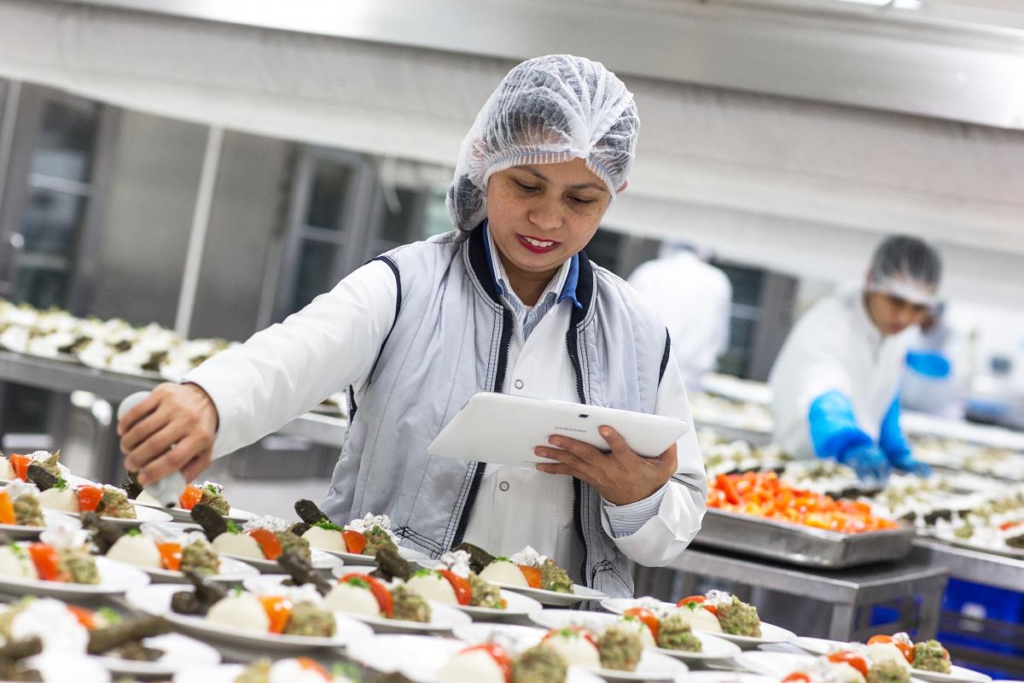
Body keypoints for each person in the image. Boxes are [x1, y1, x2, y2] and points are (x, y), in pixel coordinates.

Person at [116, 55, 707, 597]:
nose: (548, 218)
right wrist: (209, 400)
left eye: (581, 200)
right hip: (390, 608)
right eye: (527, 185)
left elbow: (678, 512)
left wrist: (639, 499)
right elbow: (296, 353)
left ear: (614, 192)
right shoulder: (406, 286)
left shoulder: (638, 334)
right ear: (486, 161)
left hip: (562, 641)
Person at [769, 235, 942, 482]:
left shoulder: (891, 332)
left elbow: (881, 392)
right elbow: (824, 397)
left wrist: (894, 448)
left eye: (918, 308)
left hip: (849, 475)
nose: (904, 317)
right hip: (803, 467)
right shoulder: (831, 324)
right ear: (872, 279)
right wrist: (849, 443)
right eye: (896, 301)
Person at [628, 243, 733, 389]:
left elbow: (623, 326)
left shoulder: (647, 272)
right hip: (689, 383)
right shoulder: (718, 281)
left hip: (640, 375)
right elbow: (720, 343)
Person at [901, 303, 967, 420]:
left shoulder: (951, 334)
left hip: (940, 412)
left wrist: (910, 357)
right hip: (908, 407)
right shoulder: (910, 330)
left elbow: (943, 367)